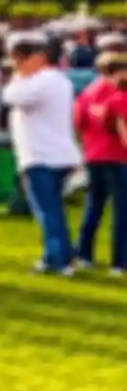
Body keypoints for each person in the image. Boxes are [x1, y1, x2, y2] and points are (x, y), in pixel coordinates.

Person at [2, 33, 82, 276]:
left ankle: (57, 259)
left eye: (20, 60)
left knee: (47, 210)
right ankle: (62, 254)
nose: (18, 66)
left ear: (38, 58)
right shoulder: (59, 80)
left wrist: (18, 77)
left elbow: (10, 96)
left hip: (41, 154)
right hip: (57, 153)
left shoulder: (39, 82)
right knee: (54, 208)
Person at [73, 51, 127, 274]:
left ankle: (84, 254)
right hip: (118, 156)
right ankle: (120, 261)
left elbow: (78, 123)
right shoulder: (119, 93)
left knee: (93, 205)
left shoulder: (86, 94)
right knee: (122, 210)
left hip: (93, 155)